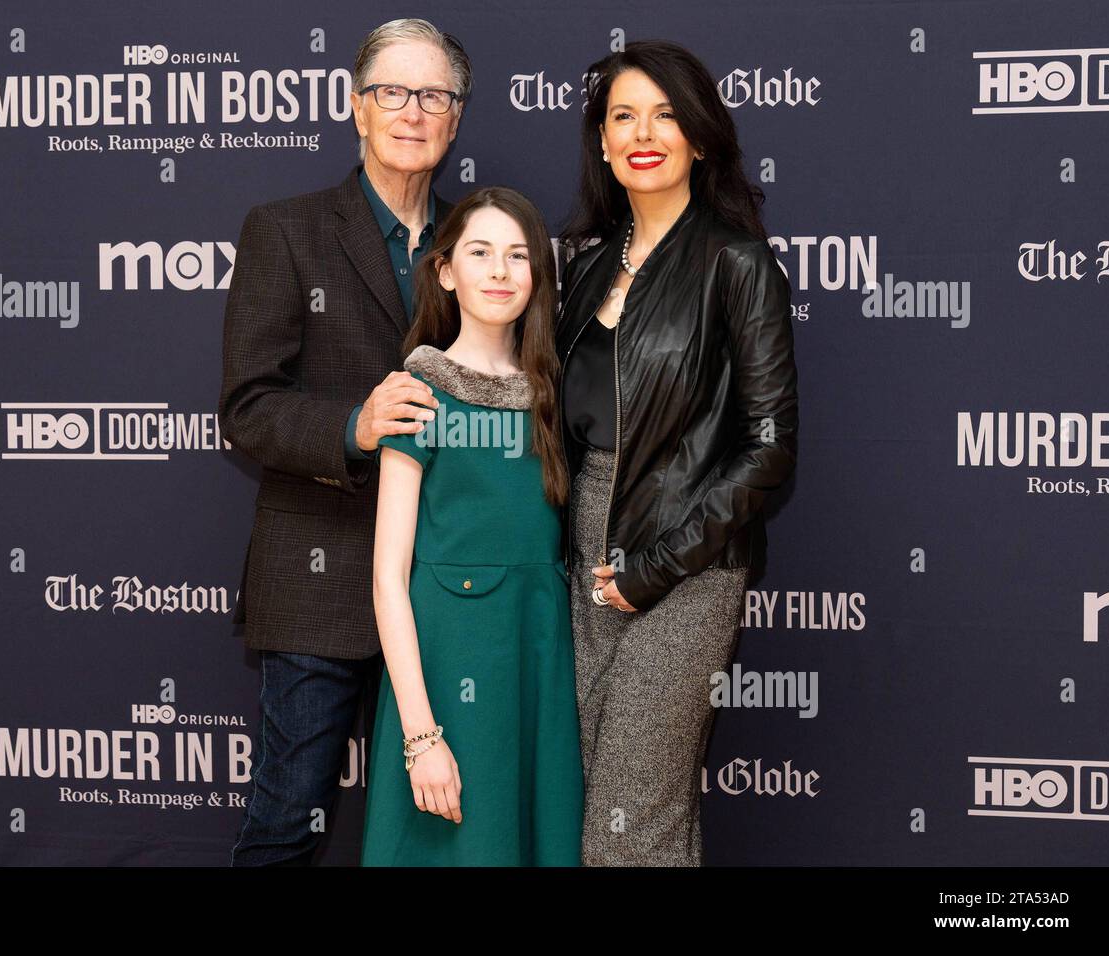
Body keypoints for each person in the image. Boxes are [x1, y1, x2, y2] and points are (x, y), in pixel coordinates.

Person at [218, 18, 472, 866]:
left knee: (439, 833)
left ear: (456, 118)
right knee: (287, 825)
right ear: (355, 109)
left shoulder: (482, 242)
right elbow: (247, 407)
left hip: (449, 588)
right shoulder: (284, 230)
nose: (413, 111)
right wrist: (351, 426)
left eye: (434, 95)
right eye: (391, 93)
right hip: (318, 582)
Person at [555, 40, 799, 866]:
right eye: (623, 116)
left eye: (666, 114)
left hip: (688, 559)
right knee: (601, 796)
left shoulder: (737, 260)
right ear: (601, 141)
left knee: (628, 820)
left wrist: (653, 568)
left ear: (700, 137)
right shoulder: (586, 271)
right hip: (580, 554)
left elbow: (769, 450)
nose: (642, 132)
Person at [361, 187, 584, 866]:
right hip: (447, 673)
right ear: (445, 270)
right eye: (480, 252)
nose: (499, 271)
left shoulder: (555, 396)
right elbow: (388, 579)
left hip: (539, 668)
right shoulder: (418, 389)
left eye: (519, 256)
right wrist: (421, 736)